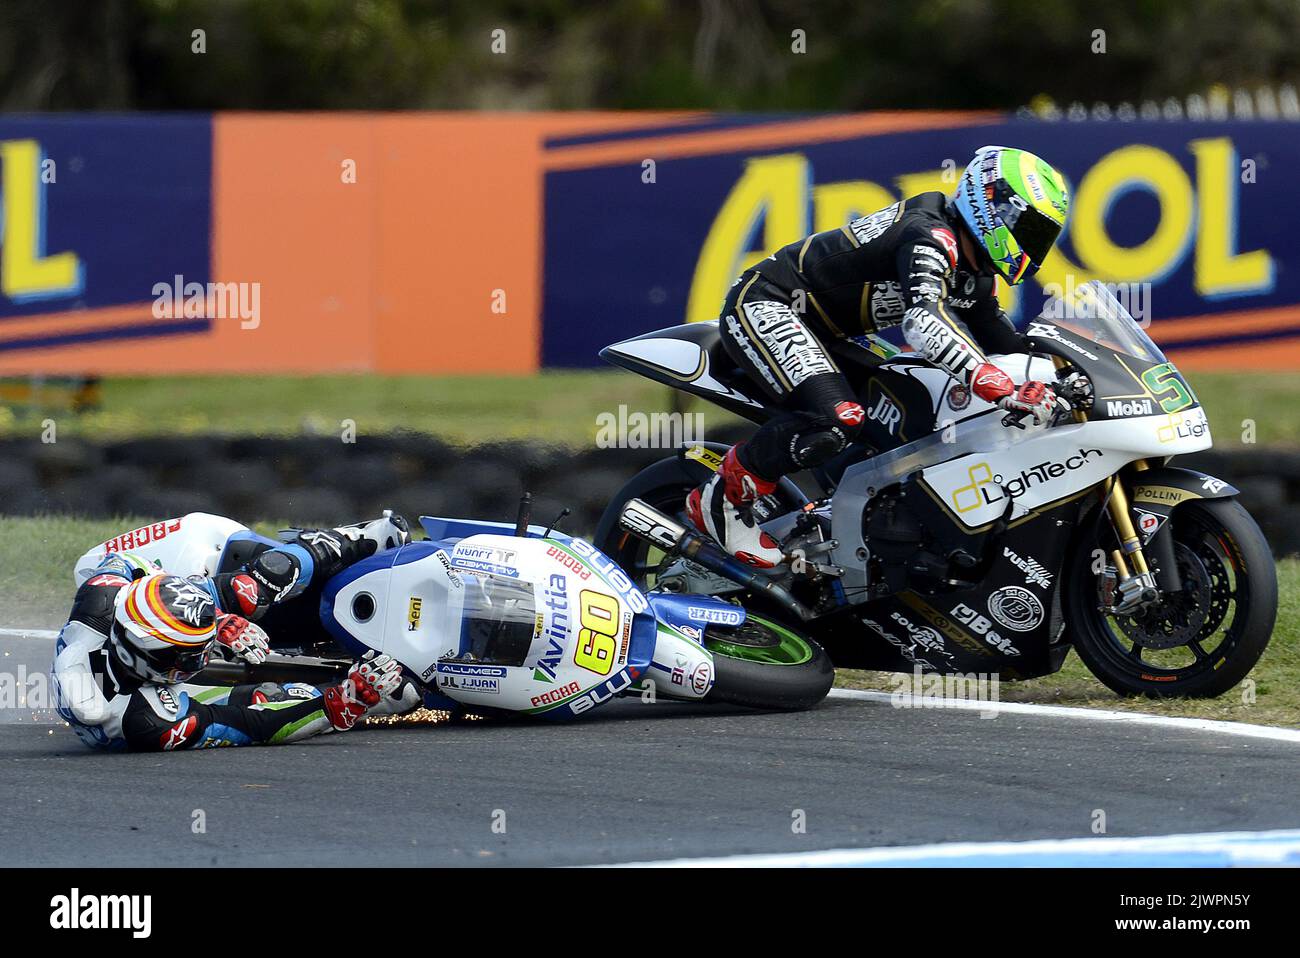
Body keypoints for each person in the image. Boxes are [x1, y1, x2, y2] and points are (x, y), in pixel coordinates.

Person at [687, 145, 1071, 567]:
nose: (1034, 243)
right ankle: (720, 500)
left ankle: (836, 521)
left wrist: (1069, 374)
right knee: (838, 419)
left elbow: (1006, 342)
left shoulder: (975, 272)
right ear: (992, 204)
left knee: (900, 413)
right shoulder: (930, 234)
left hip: (826, 332)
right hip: (767, 304)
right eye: (1029, 229)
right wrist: (997, 386)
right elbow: (923, 324)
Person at [51, 565, 404, 751]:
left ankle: (358, 540)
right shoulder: (151, 722)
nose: (201, 660)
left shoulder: (100, 597)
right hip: (149, 702)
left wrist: (217, 618)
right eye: (188, 656)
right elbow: (248, 725)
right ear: (147, 657)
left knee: (252, 586)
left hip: (136, 635)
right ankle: (375, 699)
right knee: (273, 699)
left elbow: (136, 566)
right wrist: (338, 705)